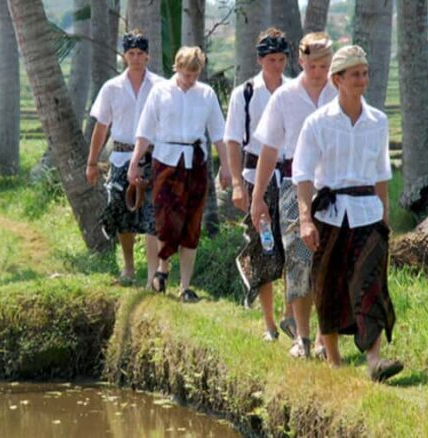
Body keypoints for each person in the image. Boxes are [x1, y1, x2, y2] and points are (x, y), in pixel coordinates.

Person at [293, 45, 403, 382]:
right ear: (337, 79)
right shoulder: (317, 123)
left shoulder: (378, 121)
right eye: (355, 74)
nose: (362, 80)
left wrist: (385, 219)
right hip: (329, 215)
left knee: (371, 282)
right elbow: (303, 174)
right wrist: (305, 220)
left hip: (367, 214)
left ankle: (374, 361)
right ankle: (334, 361)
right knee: (327, 284)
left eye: (365, 73)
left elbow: (382, 174)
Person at [251, 32, 337, 358]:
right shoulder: (284, 97)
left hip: (332, 185)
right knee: (299, 260)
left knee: (327, 262)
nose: (319, 72)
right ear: (301, 62)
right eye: (314, 65)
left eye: (325, 65)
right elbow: (269, 151)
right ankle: (302, 336)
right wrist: (258, 197)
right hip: (291, 185)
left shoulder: (339, 92)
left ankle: (322, 338)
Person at [129, 46, 230, 303]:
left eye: (194, 75)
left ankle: (185, 286)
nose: (189, 80)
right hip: (165, 160)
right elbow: (144, 131)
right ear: (177, 68)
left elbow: (218, 133)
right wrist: (134, 163)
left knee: (191, 223)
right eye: (185, 74)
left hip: (195, 162)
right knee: (162, 219)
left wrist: (227, 168)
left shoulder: (206, 94)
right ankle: (159, 270)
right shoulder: (160, 92)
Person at [224, 27, 295, 341]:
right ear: (260, 59)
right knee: (263, 245)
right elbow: (232, 141)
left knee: (295, 247)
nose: (276, 65)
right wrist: (238, 184)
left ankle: (290, 315)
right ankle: (268, 324)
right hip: (256, 180)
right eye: (271, 59)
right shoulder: (245, 93)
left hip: (291, 179)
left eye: (281, 59)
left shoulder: (295, 91)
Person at [87, 30, 163, 289]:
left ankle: (157, 271)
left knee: (153, 212)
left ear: (148, 56)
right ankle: (129, 266)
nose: (136, 58)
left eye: (140, 54)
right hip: (120, 156)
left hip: (153, 156)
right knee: (122, 212)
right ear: (124, 56)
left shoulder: (161, 86)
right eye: (131, 53)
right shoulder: (111, 88)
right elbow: (101, 127)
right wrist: (92, 162)